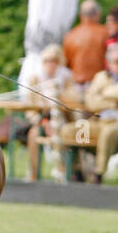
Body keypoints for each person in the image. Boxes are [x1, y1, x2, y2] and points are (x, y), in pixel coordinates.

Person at [60, 40, 118, 182]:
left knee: (108, 133)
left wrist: (102, 95)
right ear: (109, 63)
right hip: (99, 122)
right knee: (69, 131)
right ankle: (77, 171)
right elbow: (90, 101)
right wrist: (114, 102)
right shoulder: (101, 76)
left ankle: (98, 174)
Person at [22, 43, 80, 181]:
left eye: (54, 60)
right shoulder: (35, 78)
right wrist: (41, 121)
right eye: (47, 60)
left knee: (62, 133)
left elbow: (74, 102)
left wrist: (60, 96)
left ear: (59, 61)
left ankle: (64, 171)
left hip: (63, 119)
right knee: (33, 134)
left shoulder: (65, 77)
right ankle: (33, 173)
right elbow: (30, 107)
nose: (50, 64)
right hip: (41, 118)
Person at [64, 0, 107, 91]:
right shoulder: (105, 33)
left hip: (75, 85)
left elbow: (65, 63)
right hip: (98, 85)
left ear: (80, 15)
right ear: (97, 14)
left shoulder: (70, 35)